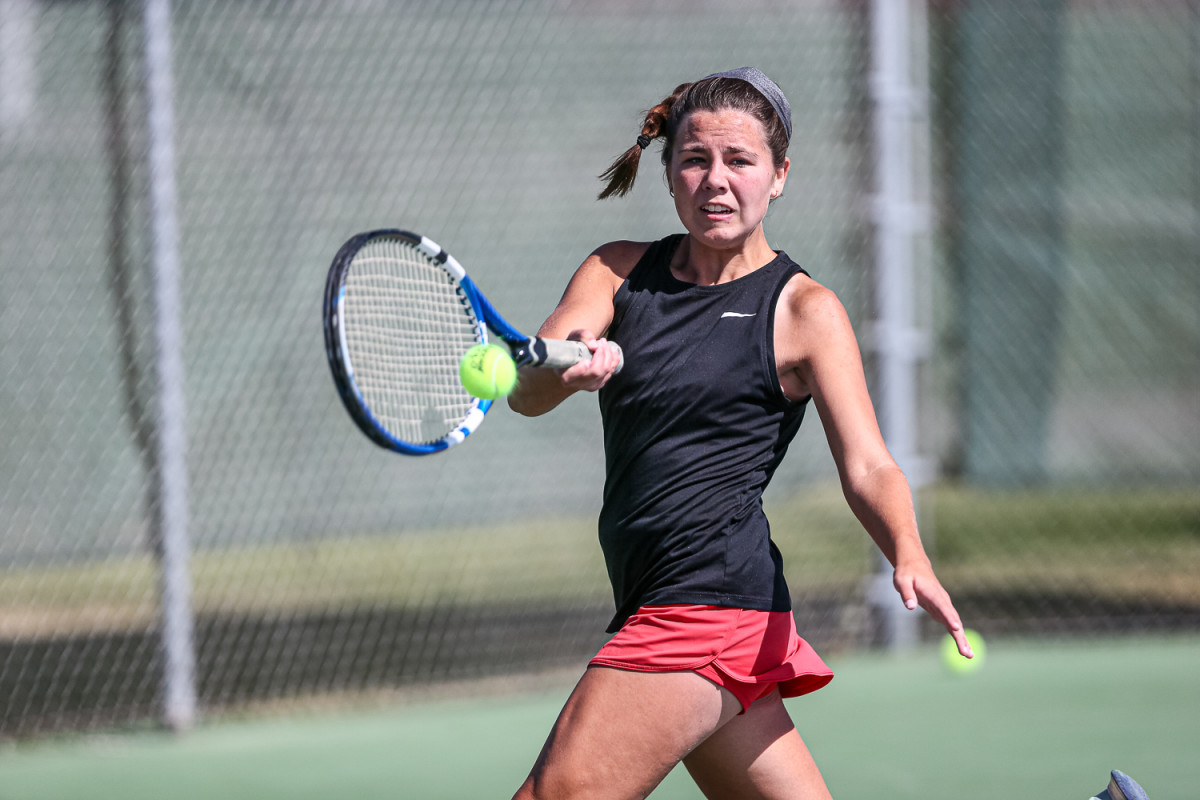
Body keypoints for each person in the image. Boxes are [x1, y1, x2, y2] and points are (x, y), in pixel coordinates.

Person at [506, 67, 972, 800]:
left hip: (706, 603)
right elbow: (525, 396)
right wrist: (563, 374)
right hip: (669, 596)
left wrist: (907, 552)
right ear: (669, 173)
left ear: (779, 175)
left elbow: (869, 465)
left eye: (739, 161)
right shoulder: (614, 273)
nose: (715, 181)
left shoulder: (804, 311)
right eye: (695, 160)